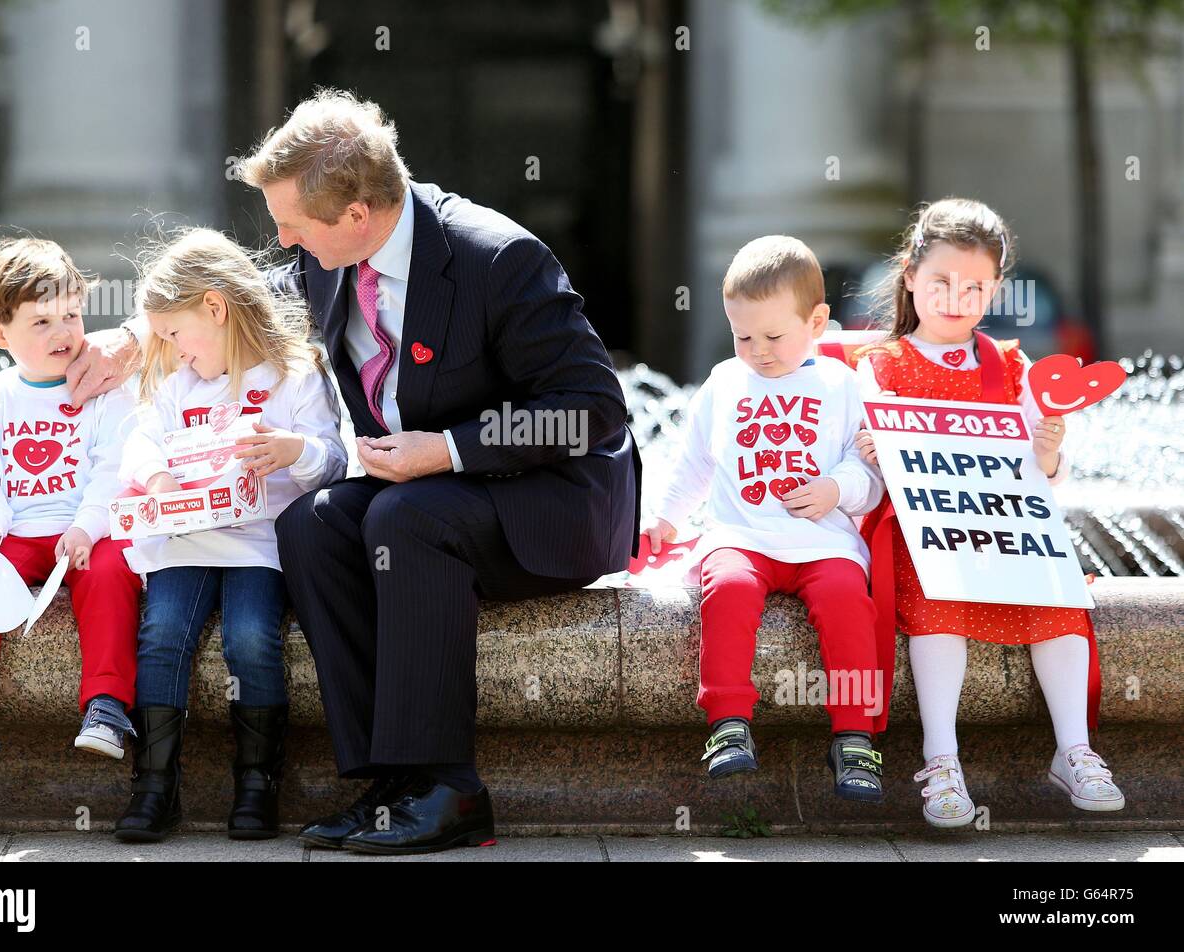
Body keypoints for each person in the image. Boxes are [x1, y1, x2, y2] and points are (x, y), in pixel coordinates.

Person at [68, 88, 642, 855]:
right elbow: (241, 297)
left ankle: (449, 788)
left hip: (547, 499)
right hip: (430, 490)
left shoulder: (498, 259)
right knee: (311, 523)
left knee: (404, 522)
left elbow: (591, 408)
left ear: (356, 217)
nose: (280, 239)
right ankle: (388, 784)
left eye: (292, 225)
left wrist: (445, 449)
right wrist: (136, 337)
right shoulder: (331, 258)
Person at [853, 197, 1125, 829]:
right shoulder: (881, 369)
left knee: (1057, 595)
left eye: (974, 286)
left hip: (1004, 530)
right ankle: (941, 761)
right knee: (936, 595)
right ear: (911, 276)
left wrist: (1050, 455)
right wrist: (876, 457)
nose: (956, 297)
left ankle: (1075, 750)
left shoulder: (1011, 366)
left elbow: (1045, 483)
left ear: (996, 289)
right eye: (942, 281)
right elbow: (863, 482)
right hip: (924, 537)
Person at [112, 229, 346, 842]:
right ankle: (155, 786)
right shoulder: (178, 385)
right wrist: (157, 475)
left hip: (259, 544)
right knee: (162, 635)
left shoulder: (294, 374)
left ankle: (257, 784)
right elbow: (138, 440)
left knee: (250, 638)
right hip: (183, 541)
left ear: (215, 308)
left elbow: (334, 460)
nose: (172, 350)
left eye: (174, 333)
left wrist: (294, 451)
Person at [643, 236, 887, 800]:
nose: (759, 350)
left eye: (774, 336)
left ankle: (854, 736)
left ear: (818, 322)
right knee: (725, 589)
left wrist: (837, 488)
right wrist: (666, 519)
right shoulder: (725, 383)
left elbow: (869, 471)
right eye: (743, 335)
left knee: (848, 599)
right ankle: (728, 722)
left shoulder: (841, 385)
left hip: (823, 542)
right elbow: (694, 462)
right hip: (742, 536)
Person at [0, 237, 141, 782]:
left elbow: (115, 469)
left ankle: (108, 705)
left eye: (71, 314)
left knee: (115, 573)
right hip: (17, 534)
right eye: (41, 322)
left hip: (89, 531)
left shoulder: (105, 392)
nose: (64, 332)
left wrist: (88, 526)